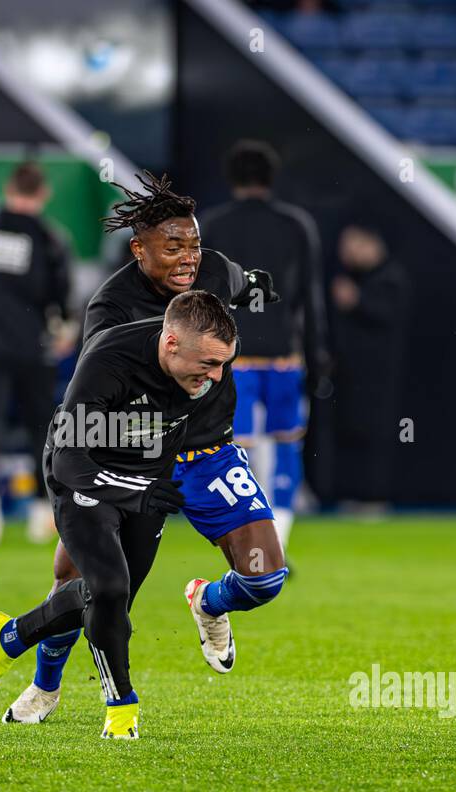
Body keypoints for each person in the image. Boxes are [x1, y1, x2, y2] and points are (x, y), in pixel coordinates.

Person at [0, 171, 289, 727]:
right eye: (172, 247)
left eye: (194, 245)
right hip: (131, 458)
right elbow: (90, 411)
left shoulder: (214, 272)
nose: (187, 258)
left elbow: (244, 282)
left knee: (265, 578)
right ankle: (44, 687)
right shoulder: (109, 313)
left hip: (209, 453)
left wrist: (260, 284)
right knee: (89, 590)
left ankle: (208, 601)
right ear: (138, 250)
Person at [0, 291, 238, 738]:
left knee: (113, 606)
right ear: (171, 344)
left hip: (148, 478)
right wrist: (140, 490)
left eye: (223, 364)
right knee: (108, 588)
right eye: (208, 364)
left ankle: (7, 637)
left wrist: (245, 282)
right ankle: (122, 709)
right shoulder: (108, 360)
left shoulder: (212, 355)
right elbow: (70, 463)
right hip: (84, 476)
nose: (216, 376)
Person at [201, 140, 326, 548]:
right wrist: (318, 356)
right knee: (287, 443)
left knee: (237, 449)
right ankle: (281, 542)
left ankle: (248, 541)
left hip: (231, 358)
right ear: (271, 178)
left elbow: (199, 300)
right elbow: (312, 298)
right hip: (284, 356)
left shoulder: (213, 226)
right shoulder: (296, 224)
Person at [0, 162, 71, 546]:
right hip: (31, 344)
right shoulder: (48, 238)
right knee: (40, 429)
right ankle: (41, 514)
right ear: (42, 194)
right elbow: (59, 295)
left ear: (10, 189)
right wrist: (61, 327)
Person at [329, 220, 411, 510]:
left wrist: (358, 300)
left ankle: (374, 496)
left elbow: (388, 314)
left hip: (380, 377)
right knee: (351, 431)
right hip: (349, 375)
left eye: (352, 245)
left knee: (377, 433)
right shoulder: (351, 277)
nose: (346, 252)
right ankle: (353, 493)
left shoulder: (390, 278)